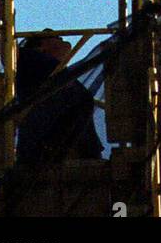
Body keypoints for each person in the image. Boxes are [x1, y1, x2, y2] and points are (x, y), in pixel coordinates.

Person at [15, 31, 103, 166]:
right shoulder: (31, 59)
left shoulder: (57, 72)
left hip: (59, 147)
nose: (61, 37)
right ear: (40, 46)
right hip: (45, 146)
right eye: (53, 36)